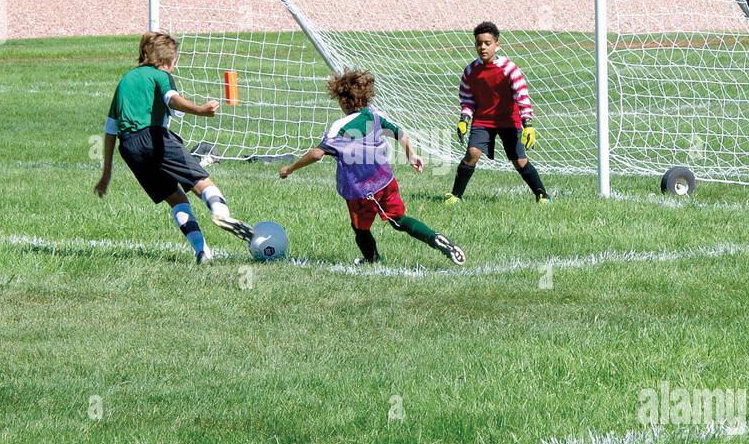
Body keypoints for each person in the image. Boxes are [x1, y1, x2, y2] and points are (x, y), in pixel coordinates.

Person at [94, 31, 253, 264]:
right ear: (169, 61)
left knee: (177, 199)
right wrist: (200, 110)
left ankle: (202, 251)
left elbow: (110, 131)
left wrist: (106, 173)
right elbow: (172, 99)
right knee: (201, 183)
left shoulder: (125, 80)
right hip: (154, 137)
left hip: (129, 148)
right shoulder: (161, 76)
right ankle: (221, 214)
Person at [280, 68, 465, 266]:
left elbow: (317, 154)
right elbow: (399, 133)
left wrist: (290, 169)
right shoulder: (374, 117)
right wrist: (411, 155)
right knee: (400, 219)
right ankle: (434, 237)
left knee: (360, 228)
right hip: (386, 181)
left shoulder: (339, 128)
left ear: (343, 100)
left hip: (362, 191)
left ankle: (371, 259)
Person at [446, 21, 549, 205]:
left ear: (497, 45)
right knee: (472, 153)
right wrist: (464, 119)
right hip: (483, 120)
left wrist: (528, 125)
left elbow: (522, 97)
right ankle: (456, 196)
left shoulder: (510, 69)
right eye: (479, 43)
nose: (482, 47)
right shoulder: (470, 70)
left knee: (520, 161)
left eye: (487, 43)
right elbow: (467, 99)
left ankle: (542, 195)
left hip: (509, 120)